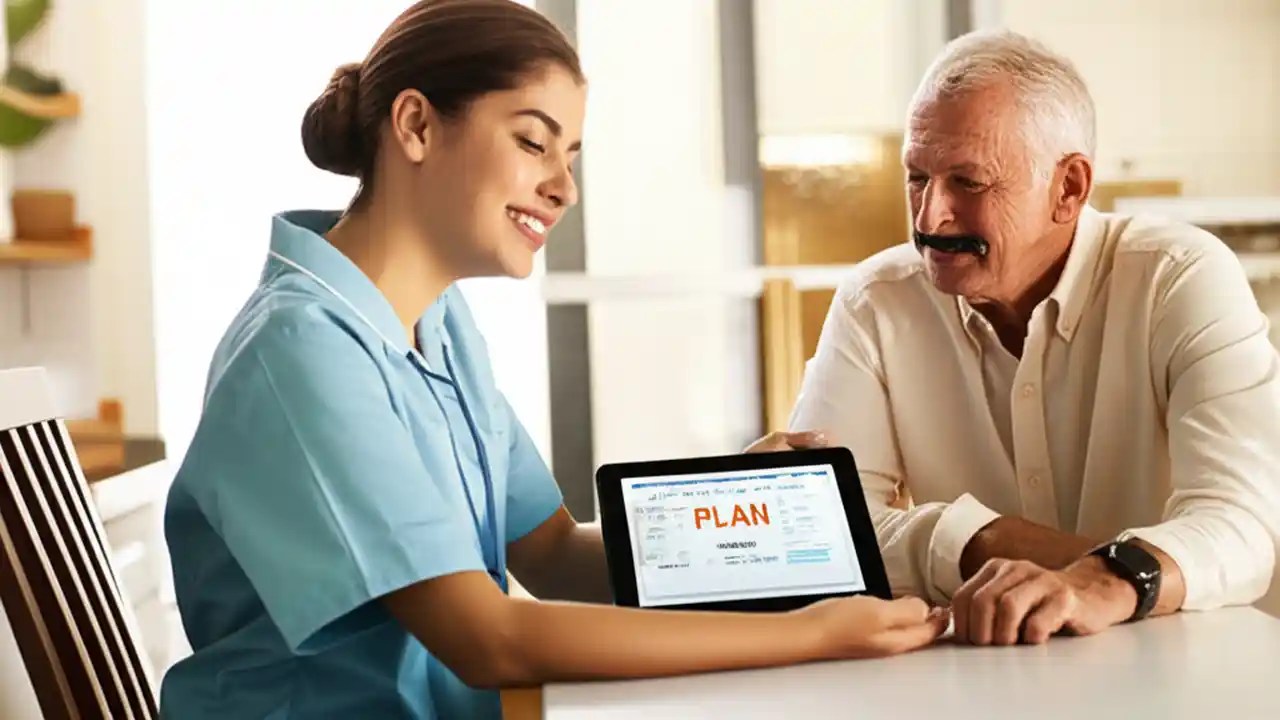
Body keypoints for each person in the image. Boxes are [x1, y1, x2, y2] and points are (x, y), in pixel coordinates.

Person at [158, 2, 948, 718]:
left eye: (570, 154)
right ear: (416, 126)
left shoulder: (438, 325)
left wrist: (725, 515)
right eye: (533, 141)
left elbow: (551, 555)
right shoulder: (305, 354)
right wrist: (811, 635)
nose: (564, 187)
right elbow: (490, 640)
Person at [790, 28, 1280, 649]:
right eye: (917, 177)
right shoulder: (876, 301)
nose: (928, 217)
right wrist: (983, 541)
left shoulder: (1177, 277)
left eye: (968, 183)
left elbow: (1244, 523)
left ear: (1069, 188)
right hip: (975, 679)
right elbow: (817, 532)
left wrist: (1101, 578)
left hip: (1180, 675)